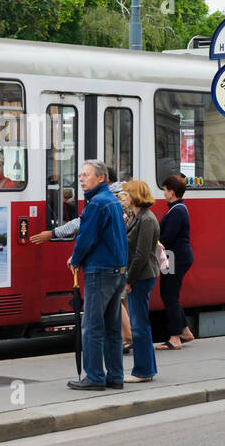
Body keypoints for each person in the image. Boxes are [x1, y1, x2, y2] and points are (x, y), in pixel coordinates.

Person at [67, 160, 129, 391]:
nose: (81, 178)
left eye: (86, 175)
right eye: (80, 174)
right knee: (113, 328)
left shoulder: (96, 204)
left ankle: (94, 376)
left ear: (100, 178)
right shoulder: (112, 201)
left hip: (100, 270)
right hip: (117, 270)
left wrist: (75, 260)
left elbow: (86, 237)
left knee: (92, 326)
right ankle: (116, 376)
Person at [121, 179, 160, 382]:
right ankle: (148, 369)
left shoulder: (146, 220)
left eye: (127, 194)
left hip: (142, 276)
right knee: (140, 323)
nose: (124, 197)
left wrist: (129, 279)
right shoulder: (138, 217)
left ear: (136, 196)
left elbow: (141, 254)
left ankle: (143, 371)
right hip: (141, 275)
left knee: (139, 325)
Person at [156, 173, 195, 351]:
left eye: (165, 190)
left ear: (171, 192)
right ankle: (185, 331)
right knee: (172, 295)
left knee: (169, 295)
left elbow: (167, 237)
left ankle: (175, 338)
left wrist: (154, 241)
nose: (163, 193)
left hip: (174, 258)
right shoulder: (178, 208)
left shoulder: (177, 210)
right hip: (177, 257)